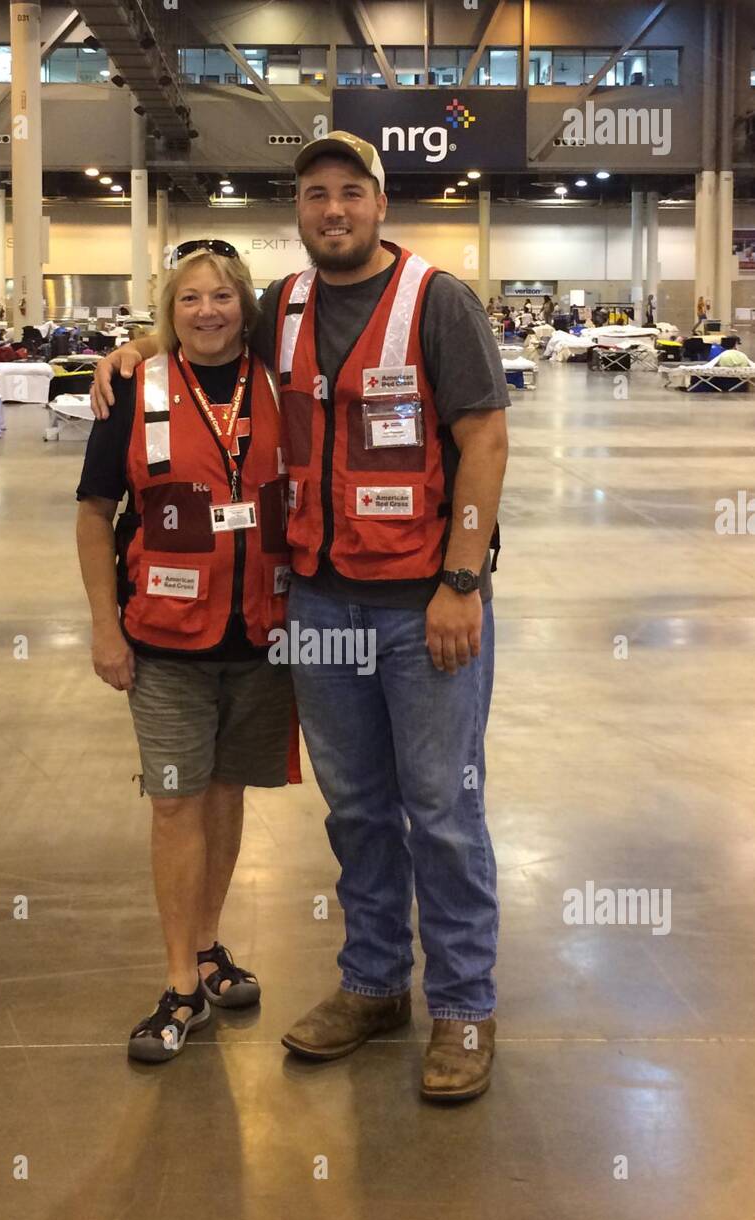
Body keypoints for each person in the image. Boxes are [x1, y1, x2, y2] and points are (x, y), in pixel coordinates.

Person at [92, 131, 509, 1104]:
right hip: (318, 603)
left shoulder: (434, 302)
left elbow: (483, 438)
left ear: (379, 203)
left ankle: (462, 1003)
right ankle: (372, 985)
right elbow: (205, 331)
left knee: (441, 811)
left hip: (420, 606)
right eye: (315, 194)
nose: (332, 210)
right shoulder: (281, 306)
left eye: (350, 193)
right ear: (299, 211)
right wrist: (139, 346)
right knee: (357, 808)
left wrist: (461, 577)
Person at [77, 241, 295, 1064]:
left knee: (228, 791)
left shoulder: (277, 380)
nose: (208, 311)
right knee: (175, 802)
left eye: (223, 297)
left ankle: (209, 946)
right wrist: (105, 626)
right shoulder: (134, 385)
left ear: (247, 306)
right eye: (190, 299)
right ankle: (177, 986)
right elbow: (96, 513)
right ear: (169, 310)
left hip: (262, 633)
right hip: (164, 639)